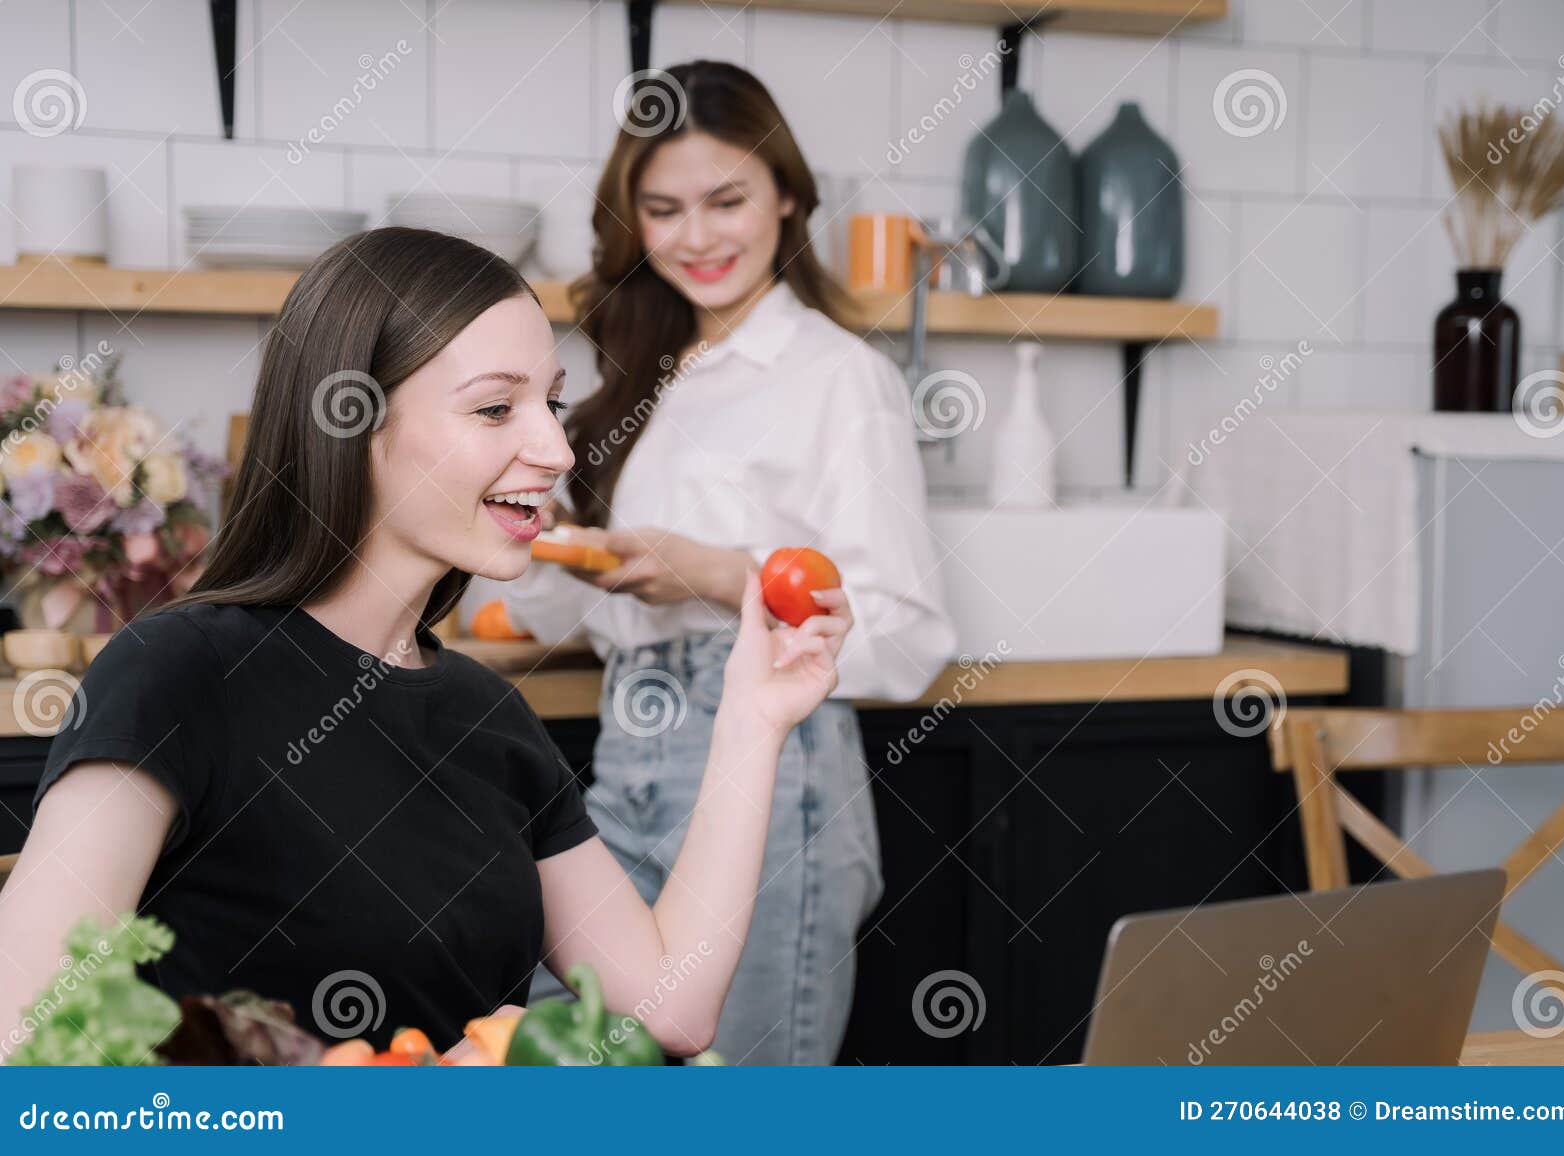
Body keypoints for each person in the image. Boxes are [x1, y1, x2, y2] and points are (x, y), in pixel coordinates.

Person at [0, 226, 853, 1061]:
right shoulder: (174, 674)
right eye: (495, 408)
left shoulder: (492, 720)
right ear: (354, 422)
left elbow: (671, 1009)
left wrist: (753, 719)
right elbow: (24, 1032)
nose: (555, 449)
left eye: (550, 403)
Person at [502, 60, 955, 1064]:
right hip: (627, 749)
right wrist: (534, 541)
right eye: (663, 209)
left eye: (727, 200)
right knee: (562, 1062)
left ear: (786, 196)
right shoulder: (640, 378)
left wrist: (713, 574)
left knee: (735, 1090)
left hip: (771, 761)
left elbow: (908, 636)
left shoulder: (839, 377)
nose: (697, 238)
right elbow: (563, 620)